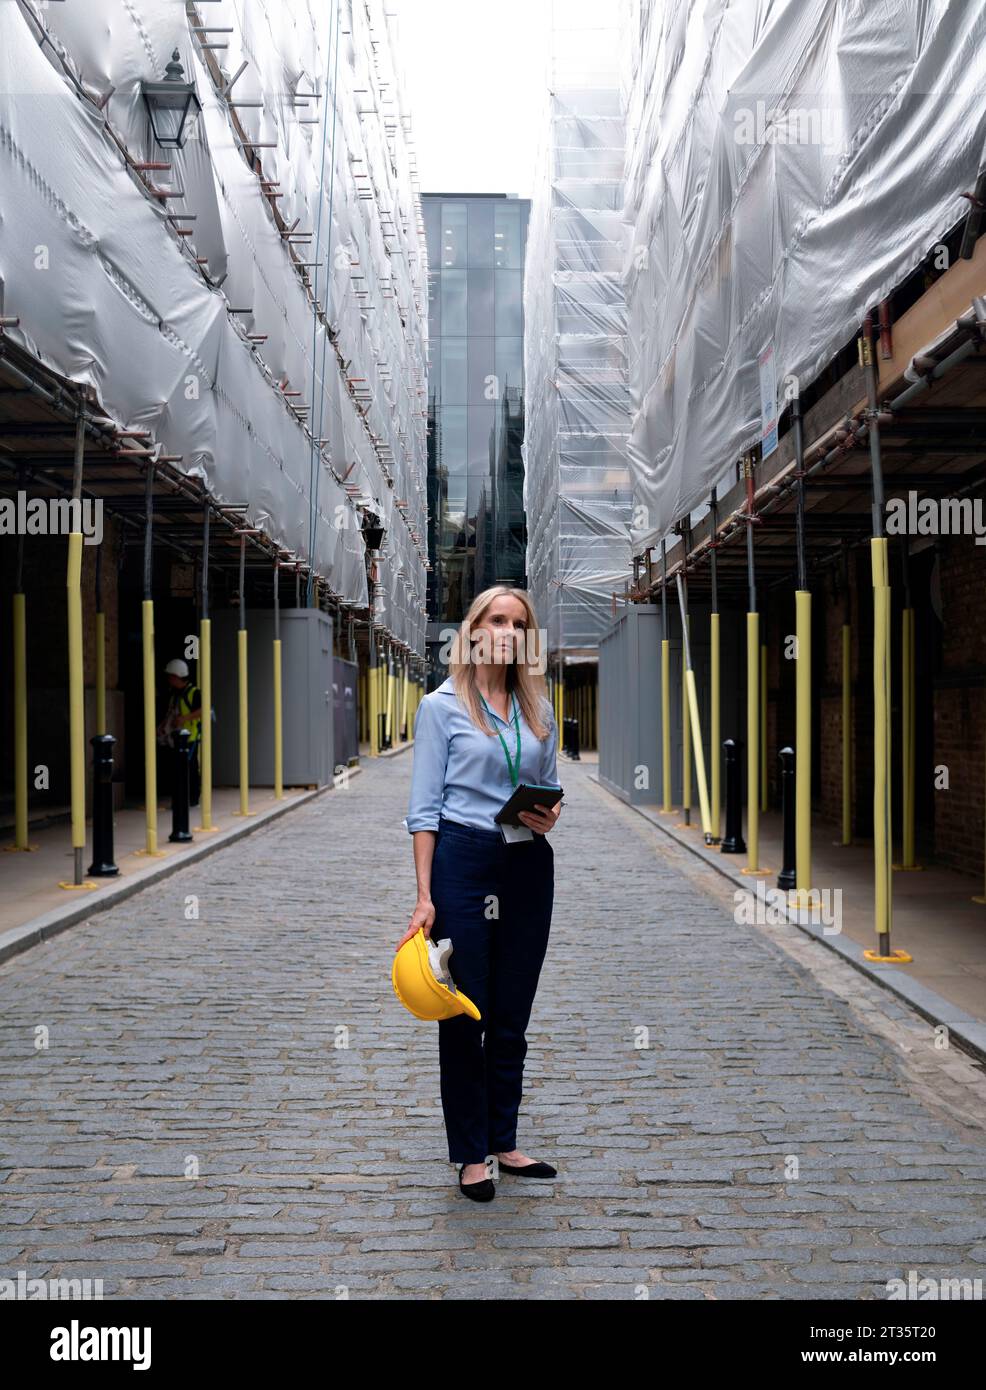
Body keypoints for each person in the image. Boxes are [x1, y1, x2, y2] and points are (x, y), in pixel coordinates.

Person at [398, 585, 562, 1202]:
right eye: (497, 619)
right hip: (464, 863)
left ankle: (504, 1139)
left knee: (514, 1012)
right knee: (467, 1012)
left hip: (527, 864)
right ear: (473, 629)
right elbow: (424, 811)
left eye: (519, 623)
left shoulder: (537, 707)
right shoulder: (440, 706)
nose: (507, 631)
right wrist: (424, 895)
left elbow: (547, 785)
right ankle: (470, 1155)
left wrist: (546, 817)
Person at [157, 658, 202, 807]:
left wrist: (184, 718)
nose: (169, 679)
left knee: (191, 770)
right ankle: (181, 799)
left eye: (170, 676)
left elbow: (203, 710)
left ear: (177, 676)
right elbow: (170, 712)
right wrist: (164, 725)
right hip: (175, 738)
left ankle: (192, 799)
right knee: (177, 770)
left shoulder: (194, 693)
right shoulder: (174, 694)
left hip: (190, 737)